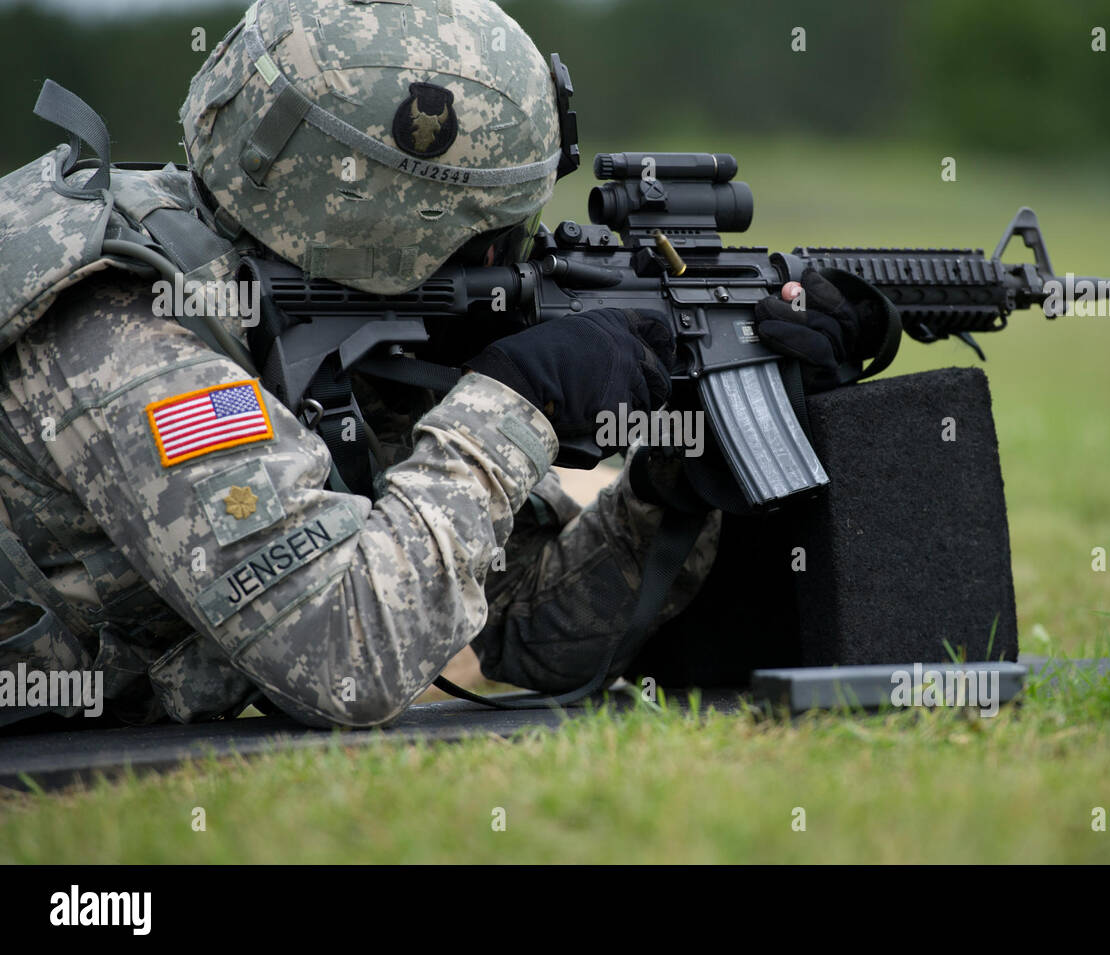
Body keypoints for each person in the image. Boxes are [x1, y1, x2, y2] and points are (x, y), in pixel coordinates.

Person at [0, 0, 880, 729]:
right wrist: (513, 400)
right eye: (493, 236)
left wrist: (672, 488)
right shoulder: (124, 334)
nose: (509, 257)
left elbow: (529, 629)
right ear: (390, 227)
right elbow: (352, 658)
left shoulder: (308, 297)